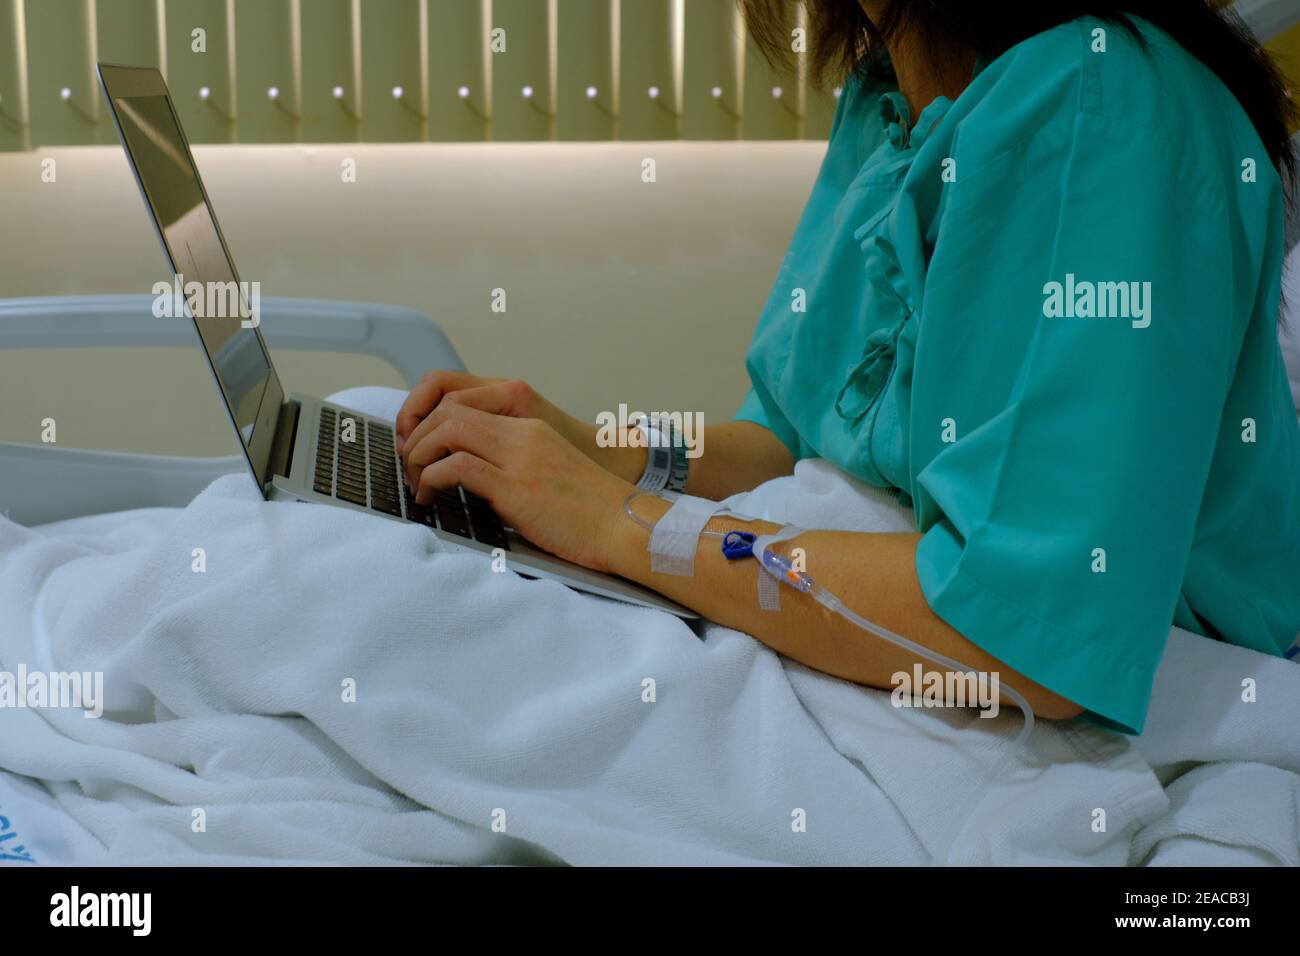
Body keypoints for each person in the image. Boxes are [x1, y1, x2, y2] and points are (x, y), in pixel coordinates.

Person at [394, 2, 1300, 734]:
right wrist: (596, 447)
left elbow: (1023, 637)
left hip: (1103, 692)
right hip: (837, 600)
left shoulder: (1107, 112)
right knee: (376, 513)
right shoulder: (891, 93)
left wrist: (623, 524)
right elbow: (783, 441)